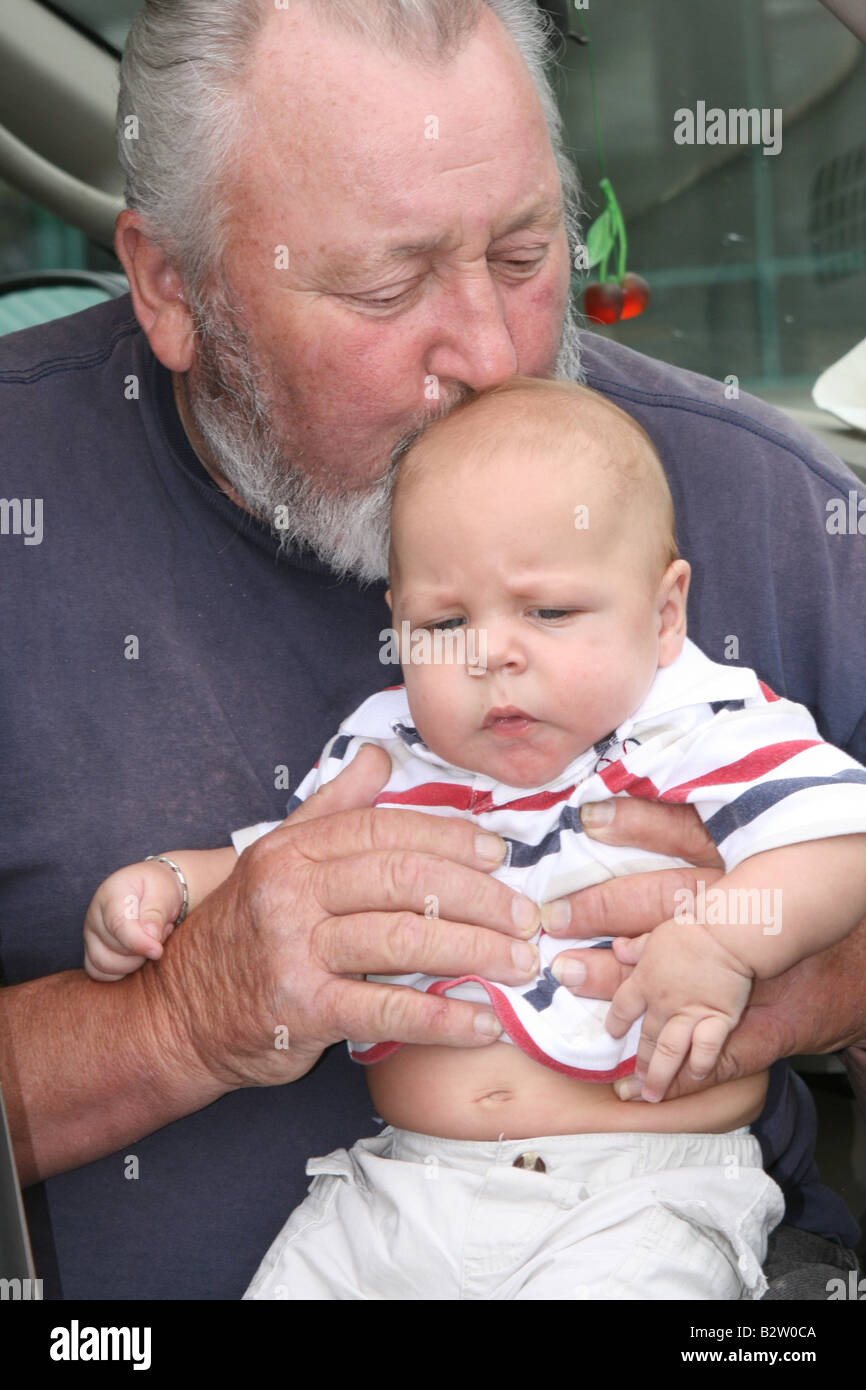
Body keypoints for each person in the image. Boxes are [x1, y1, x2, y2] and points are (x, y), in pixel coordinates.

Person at [1, 0, 865, 1300]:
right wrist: (172, 1020)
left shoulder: (765, 502)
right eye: (384, 287)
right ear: (172, 286)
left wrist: (793, 959)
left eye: (524, 254)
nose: (493, 355)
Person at [82, 378, 866, 1300]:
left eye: (549, 613)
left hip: (635, 1193)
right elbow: (285, 869)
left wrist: (724, 938)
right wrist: (177, 884)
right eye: (446, 623)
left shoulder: (700, 725)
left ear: (663, 615)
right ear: (397, 628)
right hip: (395, 1190)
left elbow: (840, 840)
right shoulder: (391, 748)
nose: (491, 653)